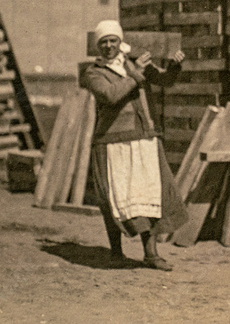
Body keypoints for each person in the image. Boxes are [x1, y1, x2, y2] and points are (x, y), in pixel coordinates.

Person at [80, 20, 188, 270]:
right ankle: (116, 253)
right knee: (116, 199)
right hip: (112, 142)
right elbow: (111, 95)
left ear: (120, 43)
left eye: (112, 41)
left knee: (147, 195)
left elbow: (164, 81)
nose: (108, 46)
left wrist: (173, 66)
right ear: (98, 46)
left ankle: (151, 254)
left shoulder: (132, 62)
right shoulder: (94, 72)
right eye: (103, 42)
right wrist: (136, 73)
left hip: (142, 138)